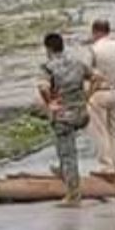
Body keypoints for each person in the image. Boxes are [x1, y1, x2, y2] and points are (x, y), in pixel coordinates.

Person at [38, 32, 92, 206]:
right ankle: (64, 172)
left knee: (68, 154)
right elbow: (97, 77)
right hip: (81, 114)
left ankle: (73, 195)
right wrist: (87, 96)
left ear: (48, 49)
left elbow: (44, 88)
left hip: (63, 117)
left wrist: (50, 103)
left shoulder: (48, 67)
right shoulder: (76, 62)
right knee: (66, 152)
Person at [87, 19, 115, 176]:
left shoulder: (94, 49)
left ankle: (107, 166)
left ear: (96, 31)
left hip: (100, 93)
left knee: (100, 131)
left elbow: (92, 75)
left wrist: (87, 95)